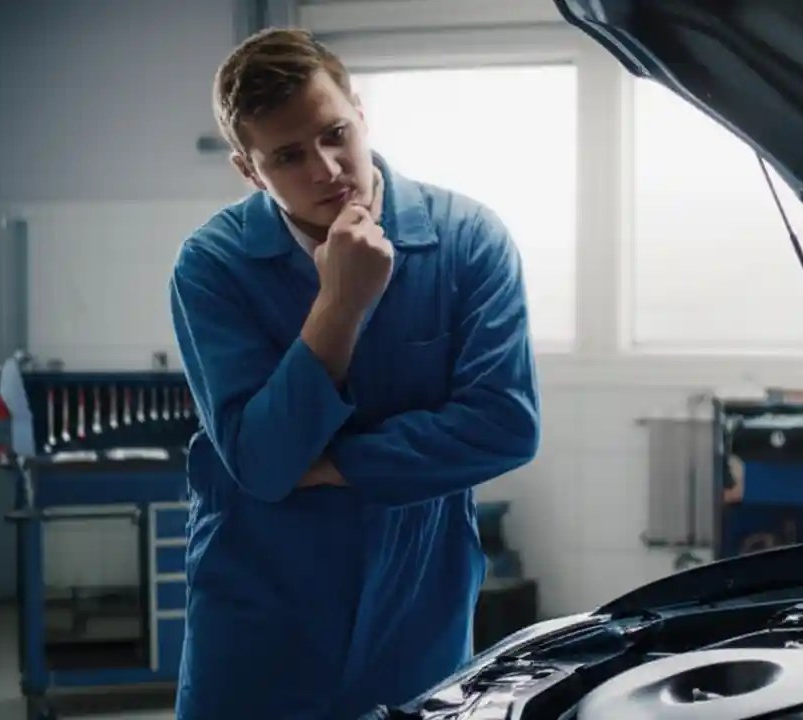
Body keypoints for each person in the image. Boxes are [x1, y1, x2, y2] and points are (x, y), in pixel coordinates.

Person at [167, 27, 540, 719]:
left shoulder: (467, 241)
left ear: (361, 114)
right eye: (288, 155)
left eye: (336, 132)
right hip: (259, 614)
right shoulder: (212, 267)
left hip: (416, 607)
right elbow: (263, 461)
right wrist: (340, 305)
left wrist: (334, 464)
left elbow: (507, 428)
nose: (326, 167)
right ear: (250, 170)